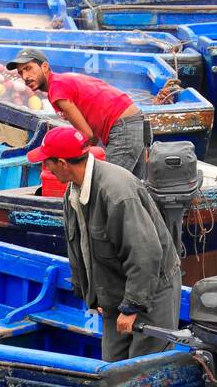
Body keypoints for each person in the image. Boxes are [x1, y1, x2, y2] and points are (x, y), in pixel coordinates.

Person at [29, 126, 183, 362]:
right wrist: (94, 297)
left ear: (62, 163)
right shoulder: (73, 192)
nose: (45, 168)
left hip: (150, 290)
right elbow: (81, 247)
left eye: (46, 163)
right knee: (112, 368)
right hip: (115, 292)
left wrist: (132, 307)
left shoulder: (116, 193)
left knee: (142, 370)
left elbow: (146, 254)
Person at [9, 47, 150, 178]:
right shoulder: (61, 81)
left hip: (123, 128)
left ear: (44, 67)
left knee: (107, 183)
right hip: (135, 122)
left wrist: (69, 163)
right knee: (137, 186)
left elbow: (86, 135)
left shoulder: (57, 89)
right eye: (21, 72)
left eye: (28, 68)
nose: (25, 76)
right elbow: (91, 135)